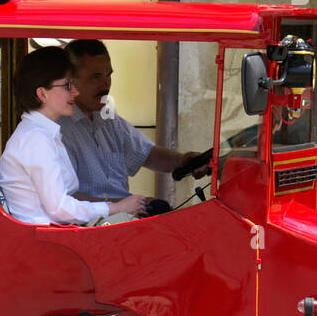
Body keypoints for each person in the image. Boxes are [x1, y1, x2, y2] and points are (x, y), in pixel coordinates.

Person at [0, 47, 146, 225]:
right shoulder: (35, 138)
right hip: (47, 243)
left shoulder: (43, 133)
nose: (75, 92)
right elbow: (60, 208)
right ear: (42, 94)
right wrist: (116, 208)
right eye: (68, 85)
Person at [59, 40, 206, 210]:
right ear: (71, 80)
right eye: (96, 77)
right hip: (87, 226)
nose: (106, 84)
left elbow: (146, 154)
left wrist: (181, 160)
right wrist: (123, 206)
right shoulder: (59, 128)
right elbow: (64, 199)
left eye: (109, 75)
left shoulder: (107, 118)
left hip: (123, 219)